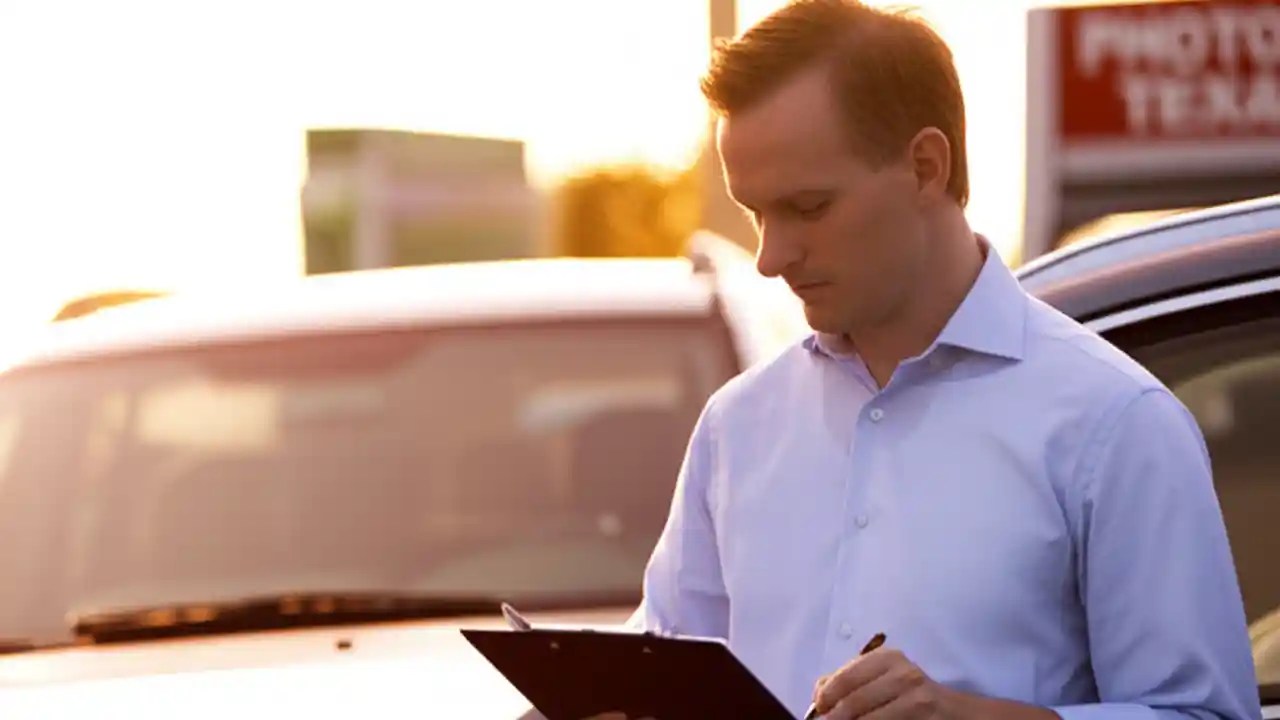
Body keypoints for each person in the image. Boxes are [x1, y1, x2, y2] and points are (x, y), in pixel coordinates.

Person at [619, 1, 1262, 719]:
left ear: (927, 166)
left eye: (807, 207)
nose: (771, 256)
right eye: (755, 212)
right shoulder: (736, 429)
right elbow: (658, 674)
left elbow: (1203, 715)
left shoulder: (1114, 425)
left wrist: (968, 717)